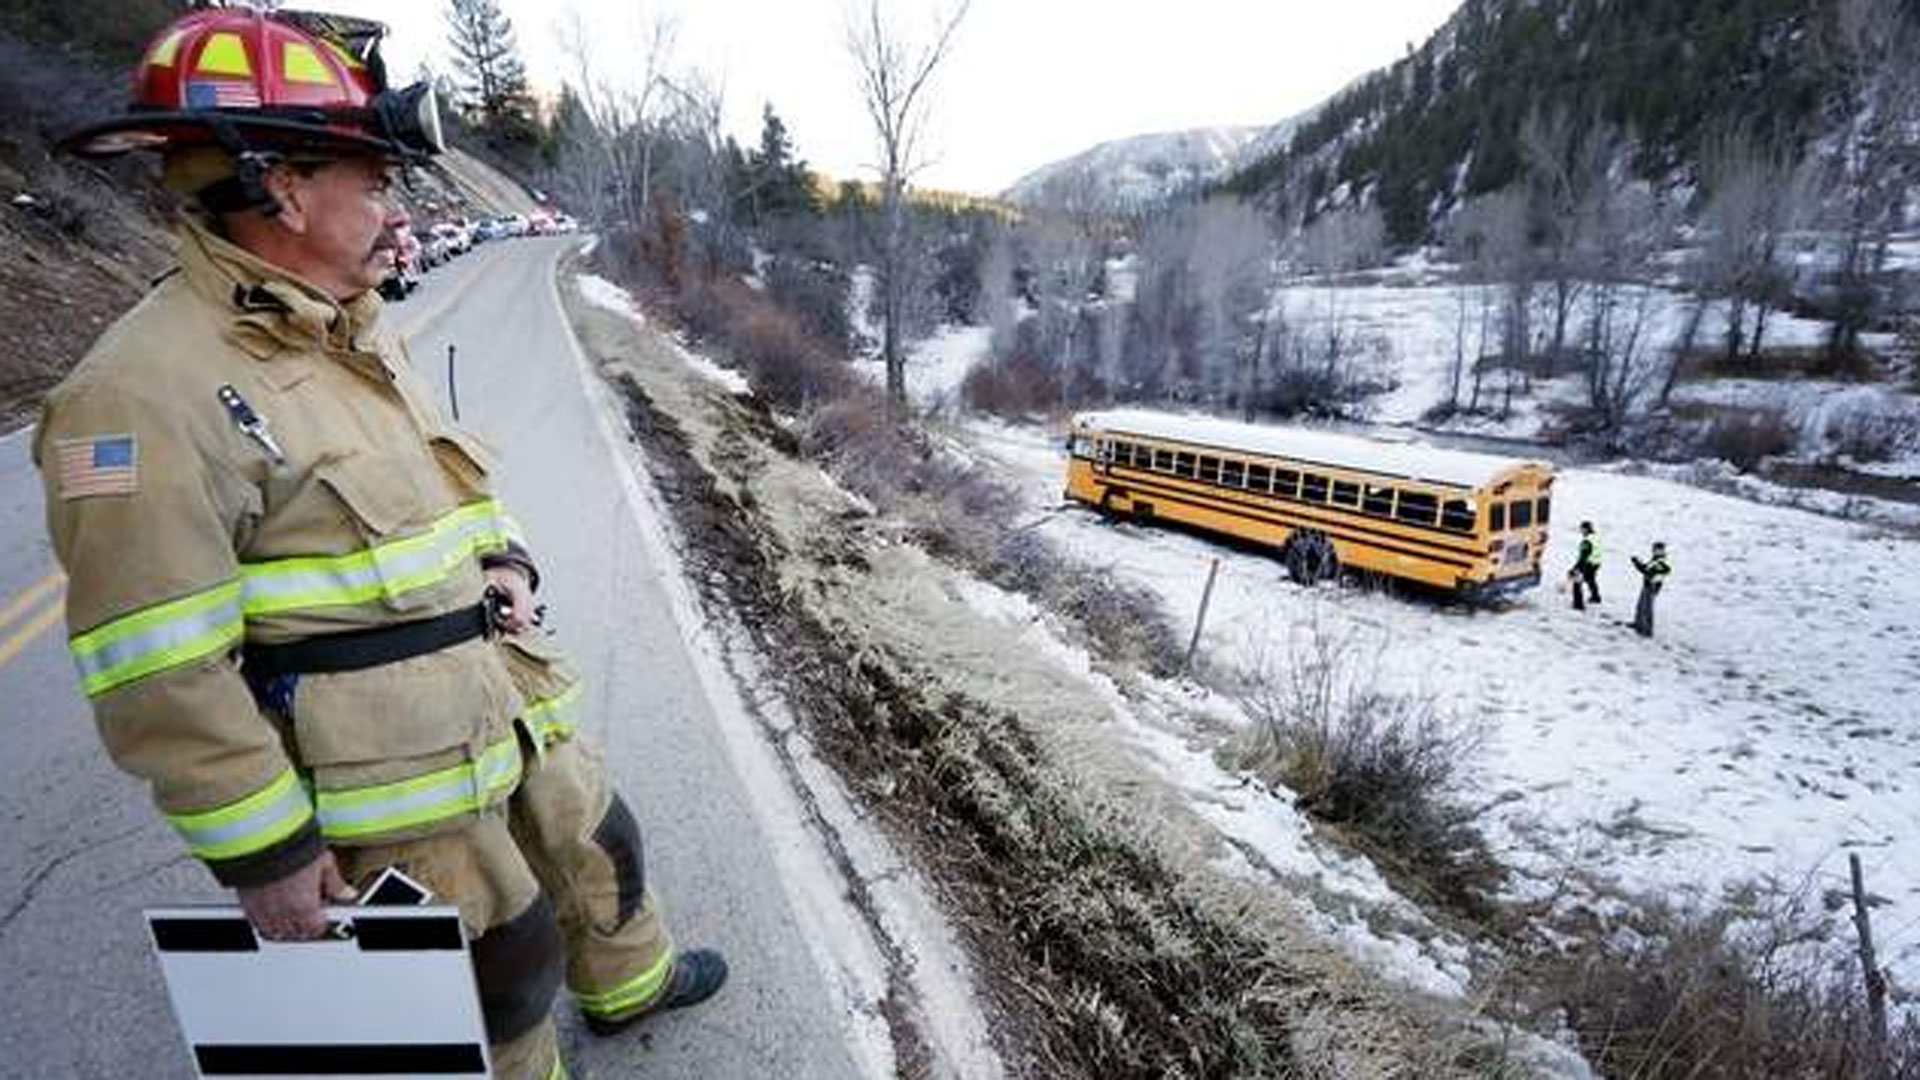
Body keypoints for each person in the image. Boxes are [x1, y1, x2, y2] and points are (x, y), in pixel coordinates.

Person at [41, 10, 722, 1078]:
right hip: (396, 794)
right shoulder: (139, 395)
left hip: (500, 704)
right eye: (373, 178)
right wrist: (265, 849)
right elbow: (157, 666)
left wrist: (503, 560)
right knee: (497, 986)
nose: (392, 205)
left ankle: (632, 986)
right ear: (283, 186)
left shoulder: (347, 327)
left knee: (598, 856)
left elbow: (447, 489)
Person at [1630, 541, 1671, 637]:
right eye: (1654, 549)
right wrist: (1637, 563)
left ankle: (1646, 630)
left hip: (1651, 587)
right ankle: (1638, 624)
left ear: (1661, 551)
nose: (1654, 551)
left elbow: (1664, 570)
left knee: (1647, 608)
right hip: (1647, 585)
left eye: (1656, 549)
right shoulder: (1655, 560)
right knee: (1640, 606)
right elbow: (1646, 569)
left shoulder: (1660, 562)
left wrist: (1638, 564)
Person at [1568, 520, 1602, 611]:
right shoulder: (1596, 537)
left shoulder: (1586, 541)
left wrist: (1575, 568)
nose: (1581, 531)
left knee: (1576, 583)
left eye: (1582, 529)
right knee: (1591, 580)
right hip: (1596, 563)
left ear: (1586, 529)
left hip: (1588, 564)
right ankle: (1596, 597)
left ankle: (1578, 605)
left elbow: (1583, 557)